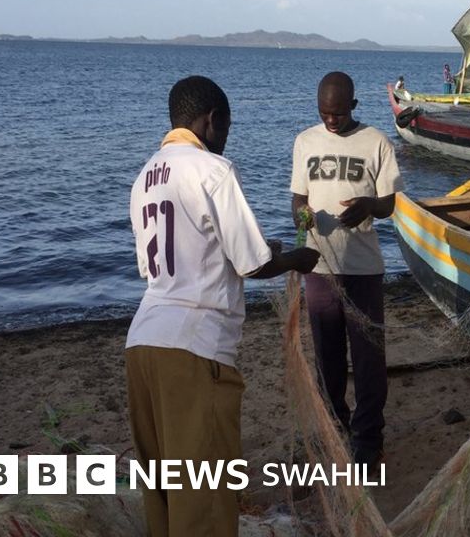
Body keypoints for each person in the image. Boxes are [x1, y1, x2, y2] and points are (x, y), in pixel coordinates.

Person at [126, 75, 319, 537]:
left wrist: (264, 250)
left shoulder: (145, 177)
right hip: (194, 350)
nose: (227, 137)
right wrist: (297, 259)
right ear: (211, 120)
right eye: (227, 127)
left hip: (142, 343)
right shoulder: (213, 169)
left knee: (164, 493)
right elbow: (253, 265)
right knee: (206, 500)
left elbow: (171, 263)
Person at [290, 71, 404, 470]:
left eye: (338, 113)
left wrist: (368, 206)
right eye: (324, 112)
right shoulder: (305, 142)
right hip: (318, 266)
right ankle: (334, 426)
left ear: (353, 106)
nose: (331, 120)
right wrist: (301, 216)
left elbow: (389, 203)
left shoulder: (376, 142)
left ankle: (369, 438)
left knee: (369, 357)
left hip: (363, 268)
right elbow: (298, 199)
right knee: (328, 355)